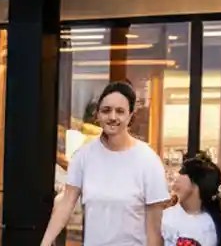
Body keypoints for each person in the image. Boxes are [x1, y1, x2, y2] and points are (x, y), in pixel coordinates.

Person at [40, 81, 169, 246]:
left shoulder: (148, 160)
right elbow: (66, 204)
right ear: (98, 114)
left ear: (130, 116)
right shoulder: (83, 156)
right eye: (106, 110)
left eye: (120, 111)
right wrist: (45, 243)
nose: (112, 117)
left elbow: (154, 230)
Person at [162, 152, 221, 246]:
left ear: (196, 183)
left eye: (182, 173)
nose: (175, 181)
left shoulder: (214, 223)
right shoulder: (165, 218)